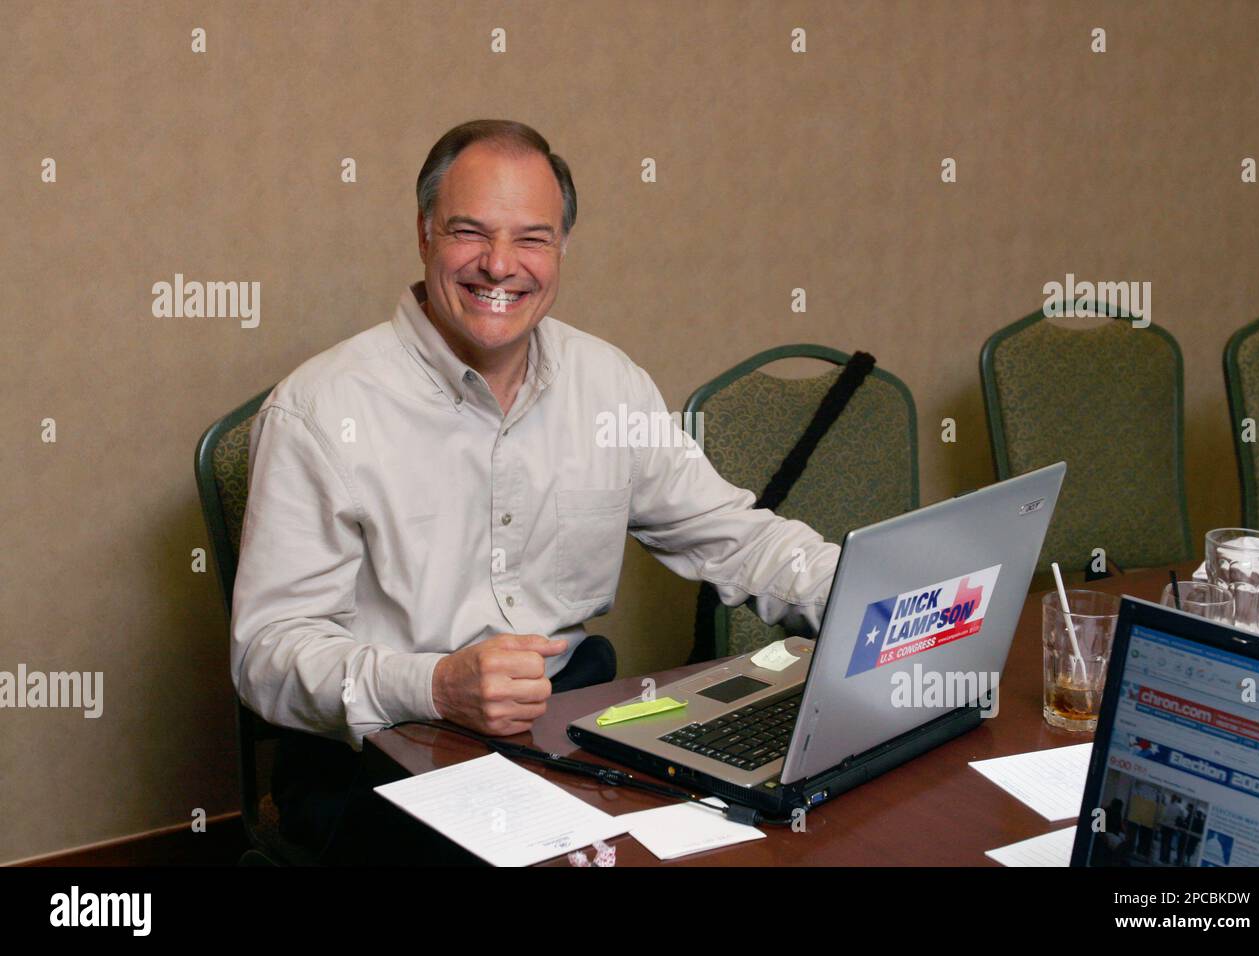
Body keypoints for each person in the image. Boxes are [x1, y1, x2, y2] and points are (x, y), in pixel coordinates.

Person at [230, 119, 841, 856]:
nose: (499, 265)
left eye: (531, 238)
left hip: (568, 727)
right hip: (382, 757)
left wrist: (876, 598)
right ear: (424, 234)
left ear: (560, 250)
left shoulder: (608, 383)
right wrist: (433, 685)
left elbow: (734, 537)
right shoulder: (320, 410)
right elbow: (266, 657)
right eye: (469, 233)